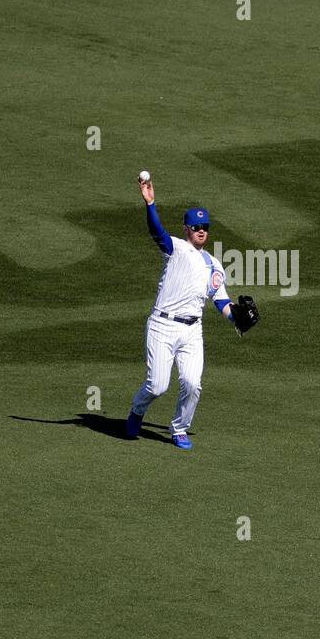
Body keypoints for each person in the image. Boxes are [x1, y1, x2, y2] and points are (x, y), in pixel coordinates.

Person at [126, 174, 234, 449]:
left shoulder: (214, 264)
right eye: (196, 226)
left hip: (192, 331)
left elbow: (221, 301)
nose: (201, 230)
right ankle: (138, 411)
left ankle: (179, 428)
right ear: (186, 228)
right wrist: (150, 204)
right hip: (162, 326)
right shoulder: (176, 248)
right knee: (157, 386)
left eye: (205, 227)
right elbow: (156, 233)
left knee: (192, 382)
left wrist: (237, 317)